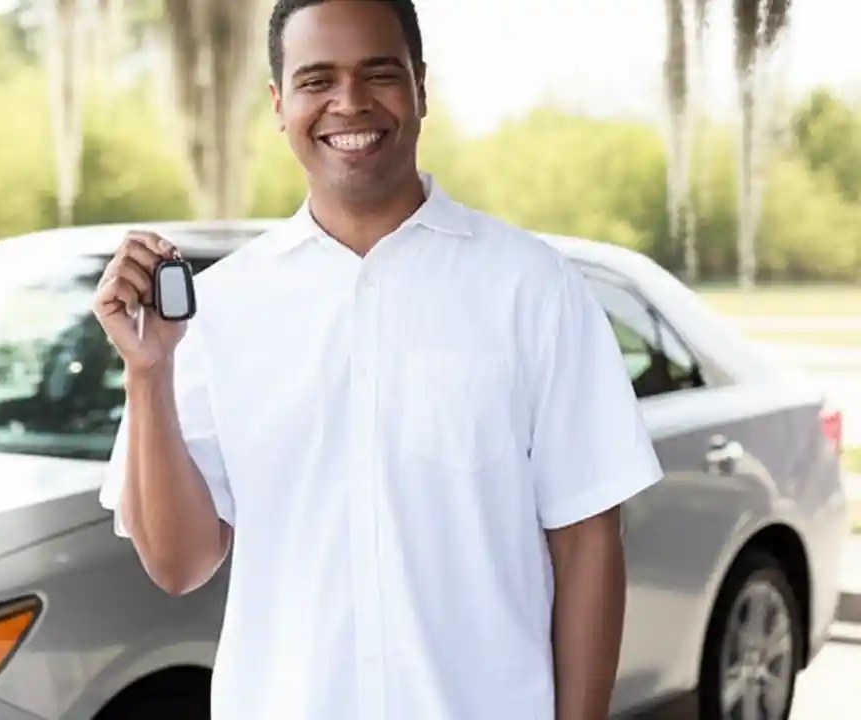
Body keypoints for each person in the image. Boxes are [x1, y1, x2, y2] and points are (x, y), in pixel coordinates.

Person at [91, 0, 664, 718]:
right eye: (316, 80)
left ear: (421, 86)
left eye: (379, 73)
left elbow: (586, 546)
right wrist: (148, 374)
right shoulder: (220, 309)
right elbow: (178, 565)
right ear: (279, 103)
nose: (350, 103)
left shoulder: (533, 288)